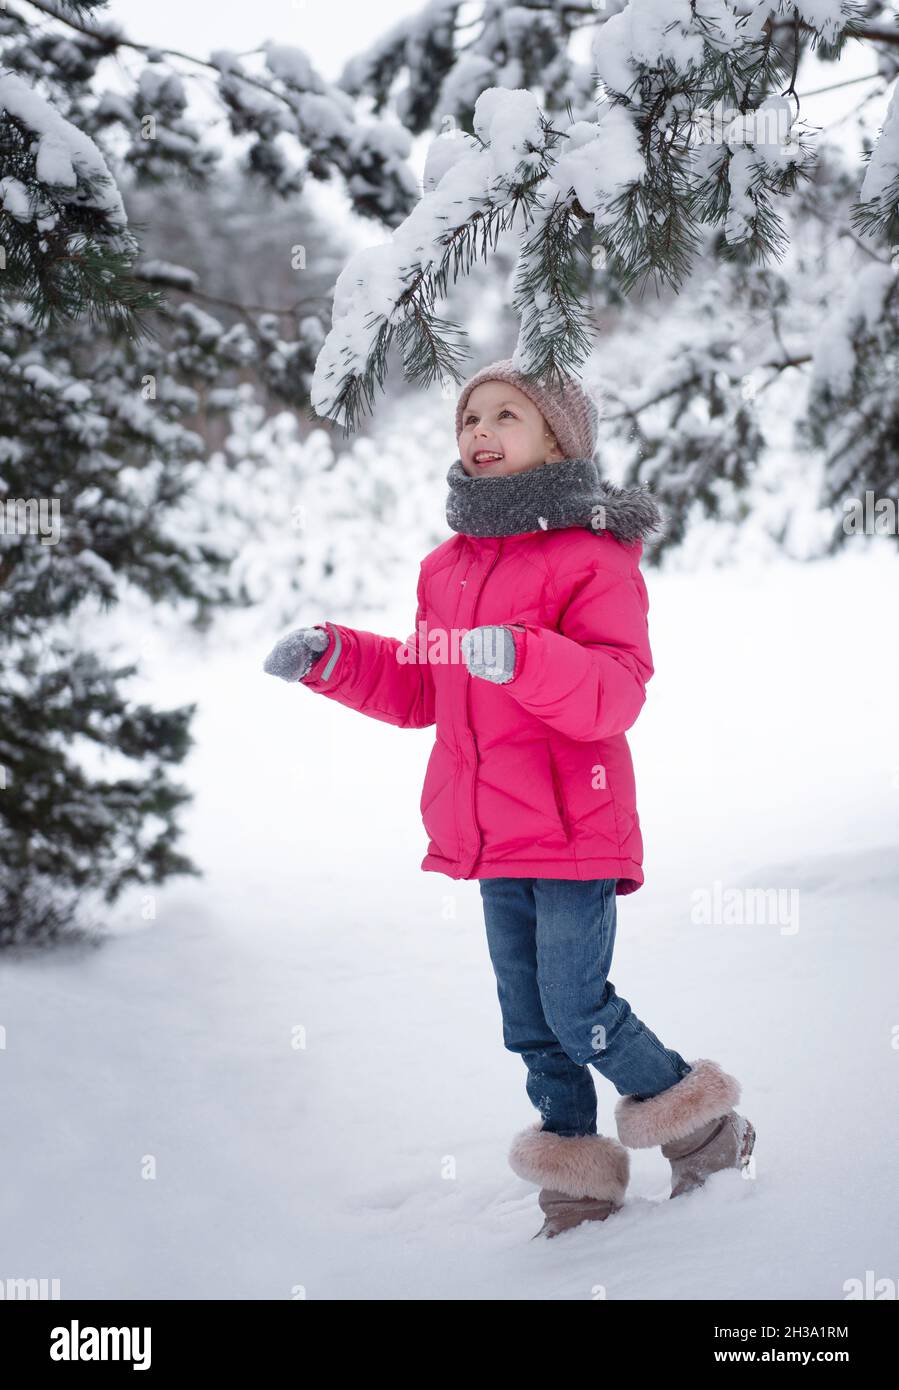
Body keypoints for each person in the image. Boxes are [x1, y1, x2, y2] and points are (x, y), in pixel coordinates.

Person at [263, 358, 756, 1240]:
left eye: (505, 417)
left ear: (557, 439)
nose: (479, 433)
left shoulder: (590, 556)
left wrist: (526, 658)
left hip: (574, 826)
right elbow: (426, 688)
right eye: (468, 419)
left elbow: (618, 691)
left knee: (577, 1008)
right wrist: (334, 657)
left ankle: (705, 1129)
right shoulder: (445, 570)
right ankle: (575, 1178)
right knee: (528, 1023)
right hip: (492, 834)